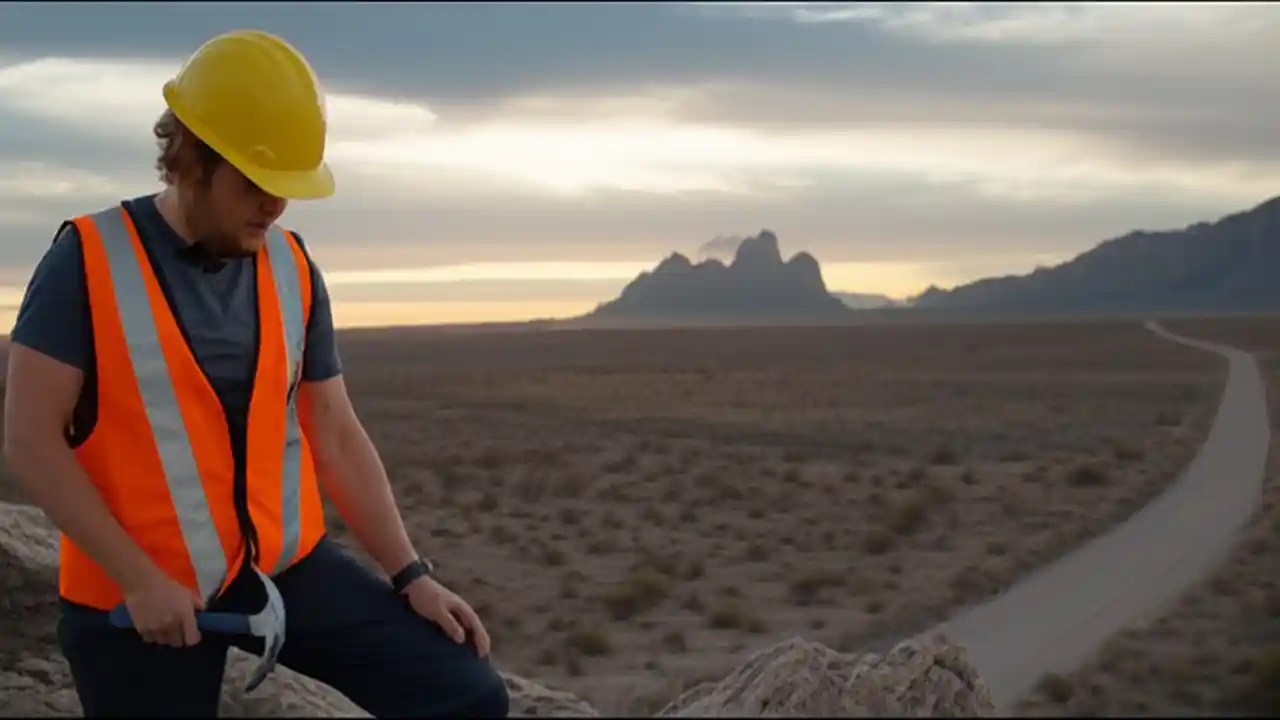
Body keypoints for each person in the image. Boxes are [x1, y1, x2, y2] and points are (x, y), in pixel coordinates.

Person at [2, 29, 508, 718]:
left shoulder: (292, 267)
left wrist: (410, 573)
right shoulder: (84, 262)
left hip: (282, 573)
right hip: (136, 596)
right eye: (256, 183)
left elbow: (332, 430)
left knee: (466, 696)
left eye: (287, 189)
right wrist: (139, 579)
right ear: (190, 160)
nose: (274, 205)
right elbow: (30, 440)